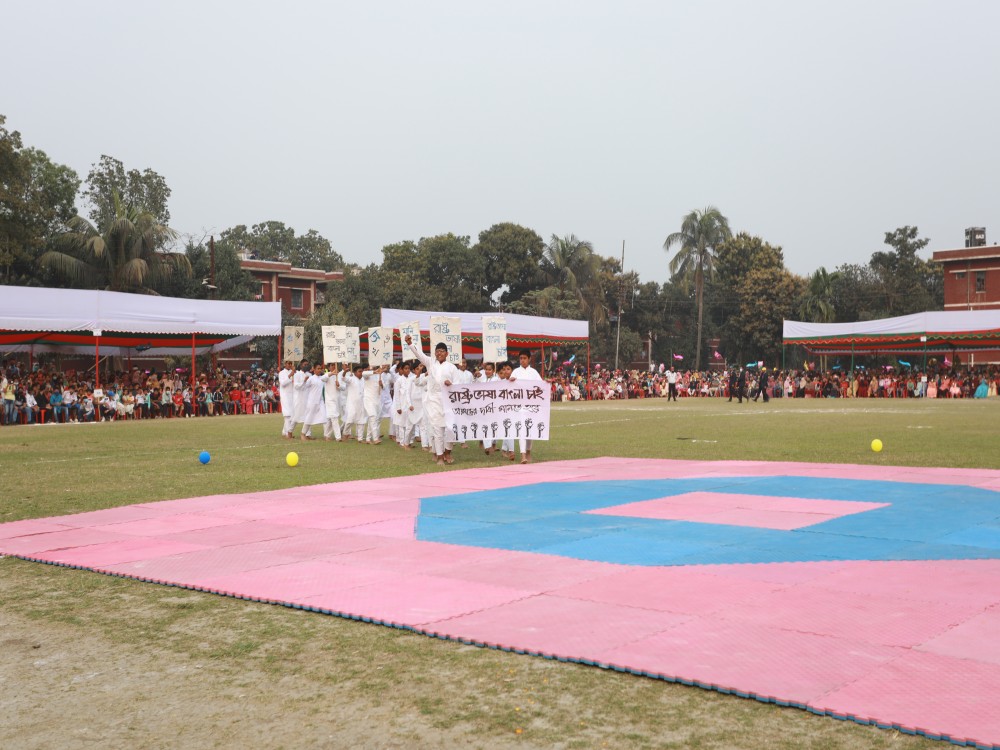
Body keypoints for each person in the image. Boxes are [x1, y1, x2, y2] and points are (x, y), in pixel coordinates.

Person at [404, 334, 458, 466]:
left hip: (448, 401)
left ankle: (448, 452)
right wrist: (410, 343)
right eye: (437, 351)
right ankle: (439, 456)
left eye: (442, 351)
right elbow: (419, 354)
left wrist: (450, 384)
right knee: (438, 429)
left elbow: (457, 385)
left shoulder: (452, 367)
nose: (439, 353)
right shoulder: (430, 362)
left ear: (447, 353)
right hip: (433, 400)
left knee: (451, 428)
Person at [509, 349, 541, 464]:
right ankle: (523, 455)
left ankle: (528, 451)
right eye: (520, 358)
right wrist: (510, 381)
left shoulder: (534, 372)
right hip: (519, 406)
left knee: (530, 429)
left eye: (524, 358)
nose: (522, 360)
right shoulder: (516, 372)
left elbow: (540, 386)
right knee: (522, 428)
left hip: (531, 405)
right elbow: (509, 388)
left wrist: (547, 383)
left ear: (529, 359)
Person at [299, 362, 326, 440]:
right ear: (314, 369)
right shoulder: (311, 378)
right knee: (309, 418)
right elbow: (304, 387)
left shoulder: (322, 378)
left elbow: (327, 376)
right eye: (318, 368)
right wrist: (304, 381)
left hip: (320, 401)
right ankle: (303, 434)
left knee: (325, 417)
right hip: (312, 401)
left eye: (320, 368)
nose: (319, 370)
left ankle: (326, 435)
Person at [320, 363, 343, 441]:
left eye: (334, 365)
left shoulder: (339, 375)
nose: (333, 366)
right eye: (332, 365)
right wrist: (331, 373)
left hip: (337, 400)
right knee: (334, 418)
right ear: (329, 367)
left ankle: (326, 435)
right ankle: (338, 437)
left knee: (330, 419)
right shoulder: (327, 375)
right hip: (330, 400)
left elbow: (343, 387)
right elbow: (322, 378)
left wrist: (339, 385)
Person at [278, 359, 296, 438]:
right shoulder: (281, 373)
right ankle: (287, 433)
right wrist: (290, 375)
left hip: (293, 396)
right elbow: (283, 383)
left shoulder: (294, 373)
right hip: (285, 396)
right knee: (287, 415)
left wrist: (293, 373)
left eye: (291, 363)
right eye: (288, 363)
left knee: (292, 415)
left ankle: (284, 431)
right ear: (285, 364)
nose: (289, 365)